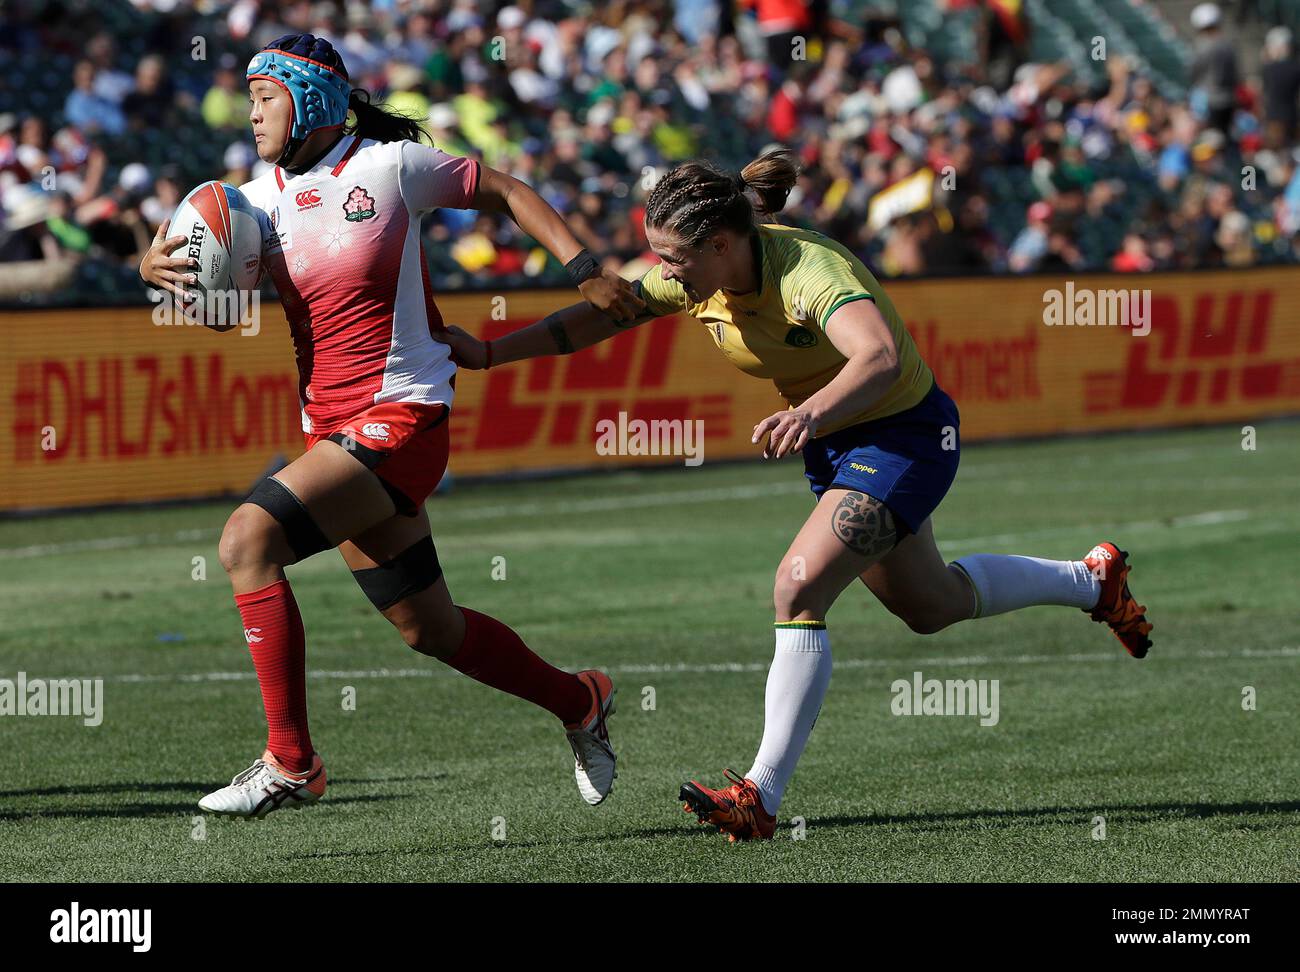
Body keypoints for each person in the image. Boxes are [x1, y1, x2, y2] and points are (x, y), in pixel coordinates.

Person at [437, 149, 1154, 842]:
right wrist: (495, 353)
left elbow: (877, 355)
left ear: (722, 244)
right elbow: (600, 315)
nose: (662, 271)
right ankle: (1092, 584)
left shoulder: (808, 270)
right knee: (931, 605)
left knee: (797, 587)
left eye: (674, 258)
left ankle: (759, 795)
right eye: (657, 255)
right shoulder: (700, 275)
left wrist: (809, 412)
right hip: (839, 443)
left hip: (903, 436)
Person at [139, 33, 645, 819]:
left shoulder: (391, 167)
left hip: (405, 416)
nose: (251, 113)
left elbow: (507, 190)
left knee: (246, 541)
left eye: (264, 96)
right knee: (429, 630)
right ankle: (580, 699)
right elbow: (212, 308)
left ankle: (292, 762)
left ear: (310, 100)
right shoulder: (252, 202)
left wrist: (585, 269)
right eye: (248, 97)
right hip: (334, 436)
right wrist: (157, 269)